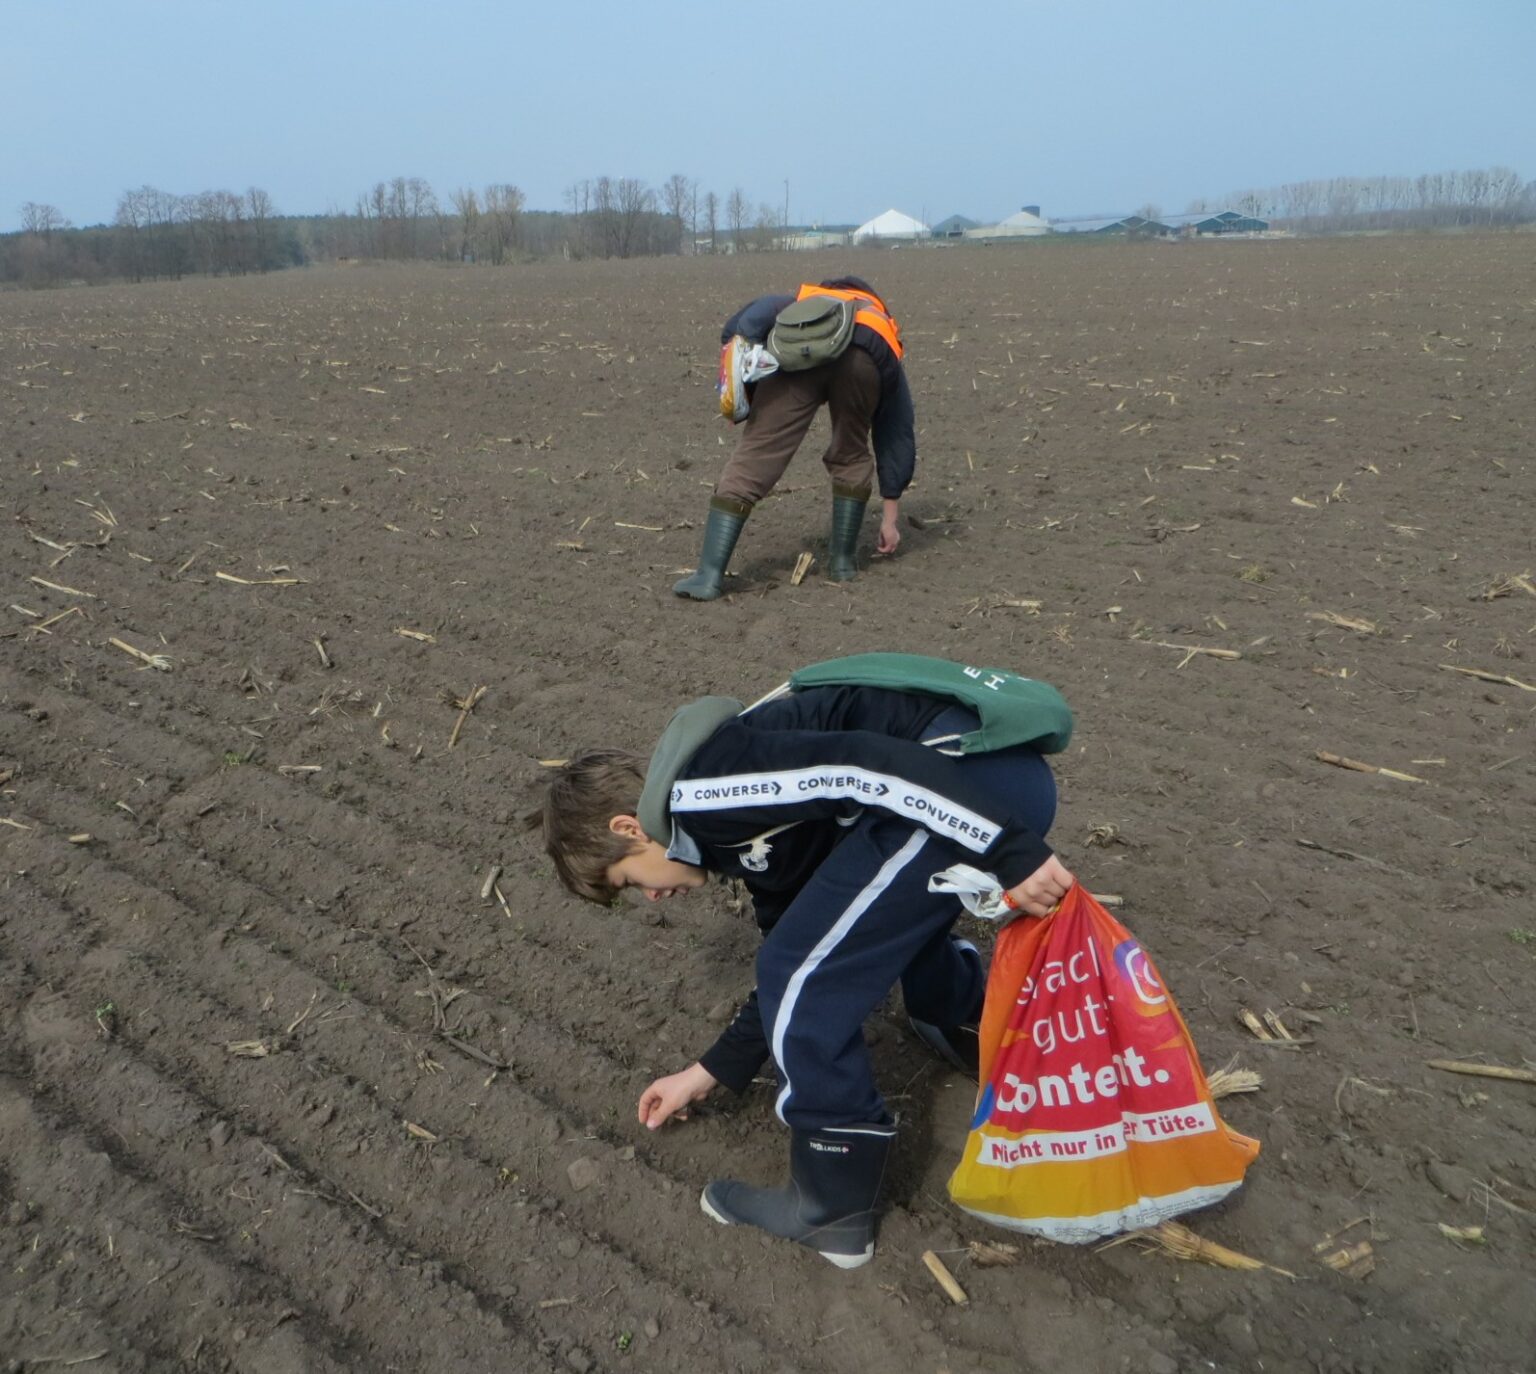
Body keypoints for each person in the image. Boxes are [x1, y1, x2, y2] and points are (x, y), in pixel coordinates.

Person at [536, 658, 1075, 1267]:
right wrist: (709, 1070)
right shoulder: (738, 838)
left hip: (971, 783)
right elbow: (791, 946)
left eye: (631, 881)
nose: (653, 896)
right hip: (979, 780)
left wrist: (1008, 849)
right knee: (831, 937)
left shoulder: (706, 789)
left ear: (630, 829)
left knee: (805, 974)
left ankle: (831, 1208)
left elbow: (865, 764)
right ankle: (971, 1025)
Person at [673, 276, 917, 600]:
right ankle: (842, 564)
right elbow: (896, 428)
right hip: (864, 360)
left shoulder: (801, 300)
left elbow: (743, 325)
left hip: (797, 355)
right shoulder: (879, 322)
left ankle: (708, 576)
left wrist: (742, 396)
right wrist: (890, 519)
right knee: (851, 450)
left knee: (756, 456)